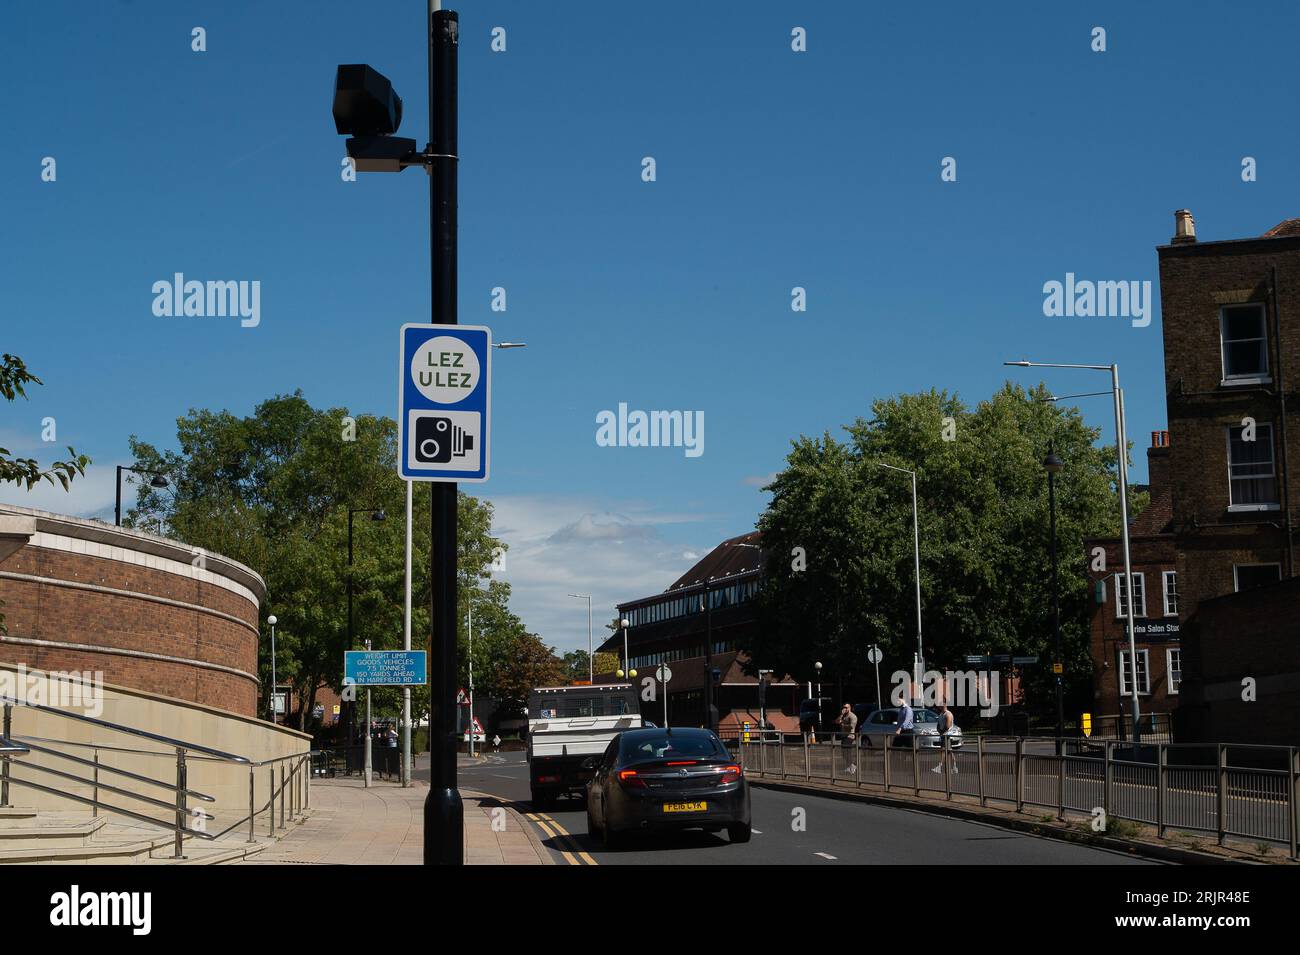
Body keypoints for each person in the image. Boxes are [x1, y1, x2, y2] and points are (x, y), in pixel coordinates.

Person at [933, 701, 958, 774]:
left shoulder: (948, 714)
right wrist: (939, 731)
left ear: (945, 704)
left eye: (940, 705)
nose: (939, 706)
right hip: (943, 735)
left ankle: (940, 766)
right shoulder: (941, 714)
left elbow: (948, 726)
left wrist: (941, 731)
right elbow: (938, 724)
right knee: (949, 751)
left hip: (947, 736)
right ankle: (954, 767)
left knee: (943, 750)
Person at [838, 703, 858, 774]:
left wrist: (843, 725)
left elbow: (852, 726)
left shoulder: (852, 716)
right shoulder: (843, 715)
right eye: (844, 707)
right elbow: (836, 721)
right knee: (844, 753)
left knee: (847, 752)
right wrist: (841, 715)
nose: (845, 709)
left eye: (846, 707)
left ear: (850, 708)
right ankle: (850, 766)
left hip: (849, 736)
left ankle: (852, 767)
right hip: (844, 736)